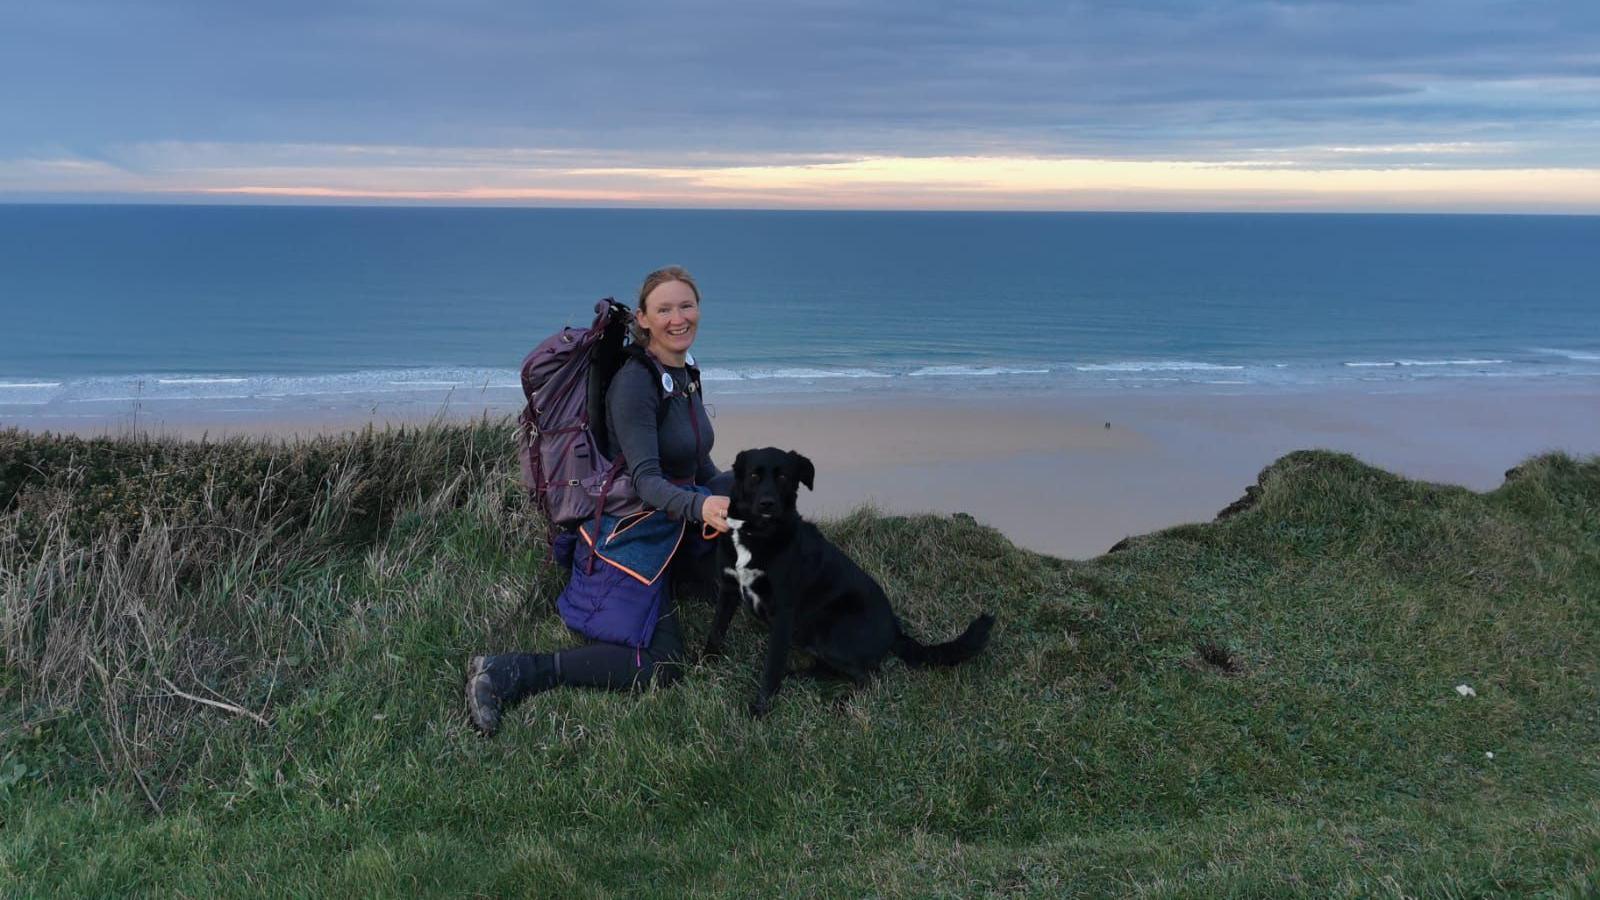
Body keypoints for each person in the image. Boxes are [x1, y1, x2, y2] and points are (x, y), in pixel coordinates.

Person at [465, 266, 732, 735]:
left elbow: (698, 463)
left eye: (686, 306)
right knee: (662, 665)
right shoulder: (635, 384)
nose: (678, 318)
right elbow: (648, 482)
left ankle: (785, 600)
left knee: (762, 485)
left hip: (677, 519)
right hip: (636, 528)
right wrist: (703, 506)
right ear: (644, 319)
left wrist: (730, 490)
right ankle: (510, 671)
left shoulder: (684, 373)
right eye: (664, 309)